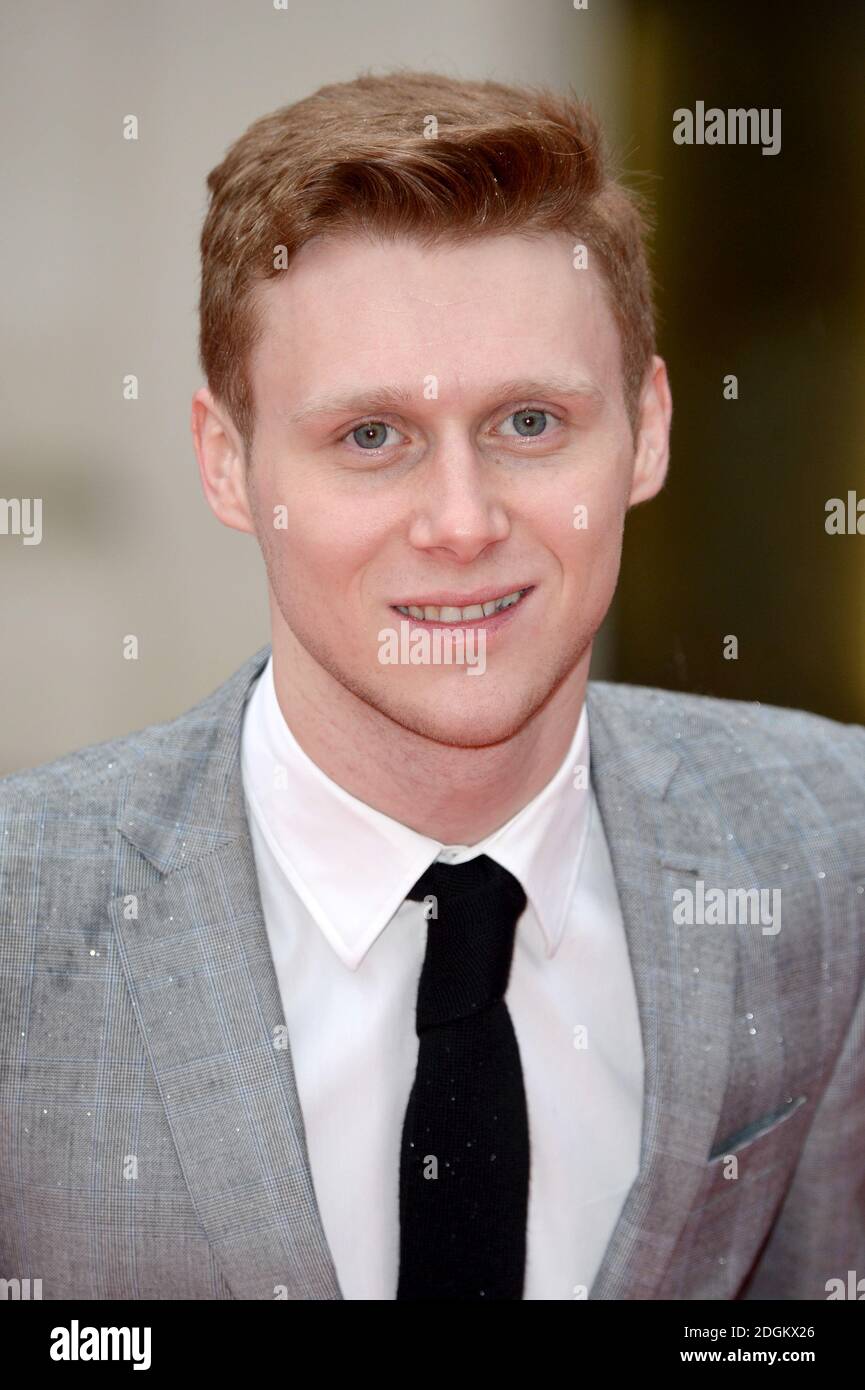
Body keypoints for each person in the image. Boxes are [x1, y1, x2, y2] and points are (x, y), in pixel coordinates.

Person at [1, 71, 863, 1302]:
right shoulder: (19, 921)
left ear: (650, 427)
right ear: (228, 464)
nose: (462, 524)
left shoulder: (834, 852)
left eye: (527, 423)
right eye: (370, 437)